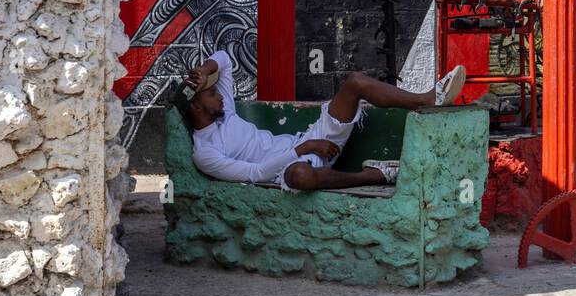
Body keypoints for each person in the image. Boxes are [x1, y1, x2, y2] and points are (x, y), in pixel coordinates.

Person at [176, 50, 467, 191]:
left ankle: (427, 99)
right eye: (211, 94)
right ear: (197, 108)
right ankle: (377, 175)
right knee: (300, 176)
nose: (221, 96)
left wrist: (204, 70)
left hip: (306, 142)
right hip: (288, 168)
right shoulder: (206, 154)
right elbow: (256, 174)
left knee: (355, 82)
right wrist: (302, 151)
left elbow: (224, 58)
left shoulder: (225, 114)